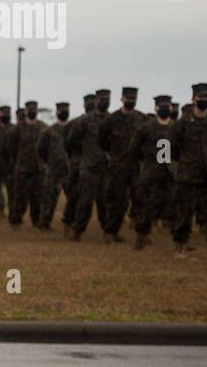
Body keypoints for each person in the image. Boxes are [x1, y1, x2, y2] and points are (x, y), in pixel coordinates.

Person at [169, 82, 207, 259]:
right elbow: (165, 145)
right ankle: (180, 246)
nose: (205, 100)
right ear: (194, 99)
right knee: (184, 213)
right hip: (187, 176)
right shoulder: (183, 122)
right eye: (202, 97)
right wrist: (170, 166)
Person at [128, 94, 176, 250]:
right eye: (161, 105)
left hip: (170, 173)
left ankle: (179, 240)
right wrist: (146, 161)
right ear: (156, 108)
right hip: (151, 173)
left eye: (167, 106)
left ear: (171, 108)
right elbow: (133, 149)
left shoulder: (176, 128)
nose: (164, 108)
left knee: (173, 205)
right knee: (148, 206)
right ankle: (142, 236)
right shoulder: (146, 127)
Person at [100, 86, 146, 242]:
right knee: (118, 202)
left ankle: (142, 234)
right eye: (129, 99)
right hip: (118, 167)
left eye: (134, 99)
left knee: (140, 200)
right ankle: (110, 232)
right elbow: (102, 140)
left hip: (135, 167)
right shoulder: (112, 119)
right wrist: (113, 155)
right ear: (122, 99)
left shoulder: (142, 119)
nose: (131, 102)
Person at [66, 88, 112, 241]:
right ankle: (77, 231)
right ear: (96, 101)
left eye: (107, 99)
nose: (104, 102)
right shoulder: (85, 121)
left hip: (106, 168)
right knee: (84, 202)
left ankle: (108, 232)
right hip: (89, 167)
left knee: (105, 201)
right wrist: (86, 152)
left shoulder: (113, 120)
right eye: (102, 100)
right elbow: (72, 140)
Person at [7, 100, 46, 228]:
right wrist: (16, 160)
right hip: (22, 168)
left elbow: (47, 147)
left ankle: (37, 220)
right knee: (20, 196)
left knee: (38, 196)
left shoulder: (43, 127)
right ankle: (16, 220)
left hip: (38, 168)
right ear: (26, 111)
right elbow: (11, 146)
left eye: (34, 110)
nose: (32, 112)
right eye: (30, 110)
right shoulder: (18, 128)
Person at [35, 102, 71, 230]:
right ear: (57, 113)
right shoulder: (48, 132)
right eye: (61, 110)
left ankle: (69, 222)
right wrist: (48, 163)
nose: (63, 113)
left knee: (73, 197)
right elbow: (41, 150)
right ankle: (44, 223)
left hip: (70, 170)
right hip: (54, 170)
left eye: (66, 110)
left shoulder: (73, 129)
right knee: (50, 198)